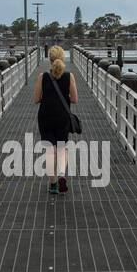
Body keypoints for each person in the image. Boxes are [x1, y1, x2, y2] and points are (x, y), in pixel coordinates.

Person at [33, 45, 78, 194]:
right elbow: (75, 99)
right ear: (63, 58)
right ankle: (61, 175)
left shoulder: (42, 77)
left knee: (50, 150)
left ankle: (52, 184)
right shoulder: (69, 76)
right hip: (62, 117)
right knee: (61, 148)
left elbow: (36, 99)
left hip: (46, 117)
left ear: (49, 59)